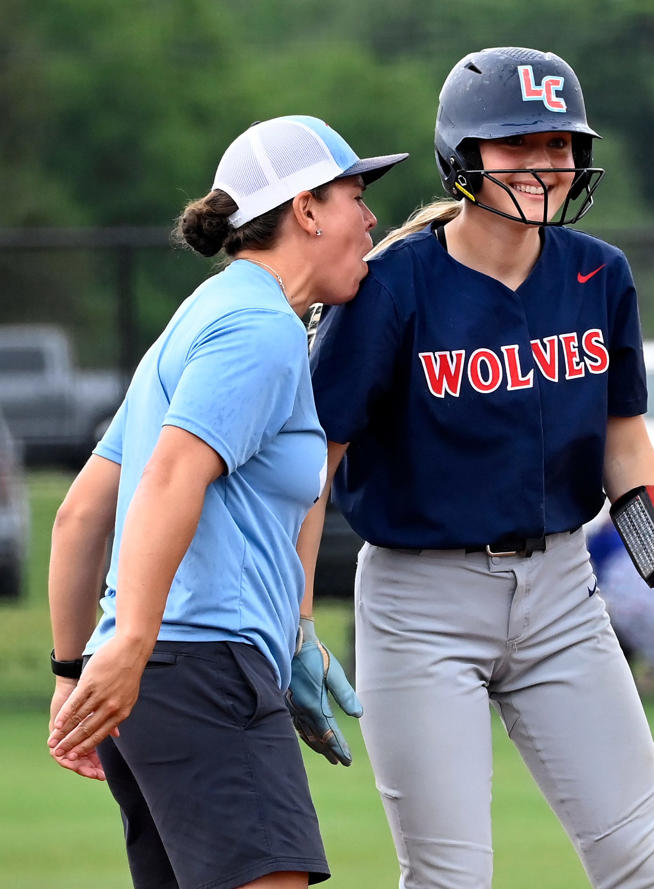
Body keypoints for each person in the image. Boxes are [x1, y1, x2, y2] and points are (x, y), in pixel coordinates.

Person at [298, 49, 654, 889]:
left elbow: (624, 444)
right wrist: (295, 616)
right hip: (422, 602)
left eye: (561, 144)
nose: (547, 164)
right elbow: (313, 462)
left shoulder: (599, 274)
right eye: (519, 144)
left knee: (646, 867)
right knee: (449, 879)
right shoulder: (390, 285)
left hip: (564, 591)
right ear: (464, 159)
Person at [46, 114, 407, 889]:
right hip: (204, 670)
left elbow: (81, 511)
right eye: (355, 194)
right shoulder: (258, 327)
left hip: (161, 681)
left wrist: (76, 669)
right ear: (306, 210)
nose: (371, 217)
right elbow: (173, 476)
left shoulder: (202, 316)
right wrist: (134, 641)